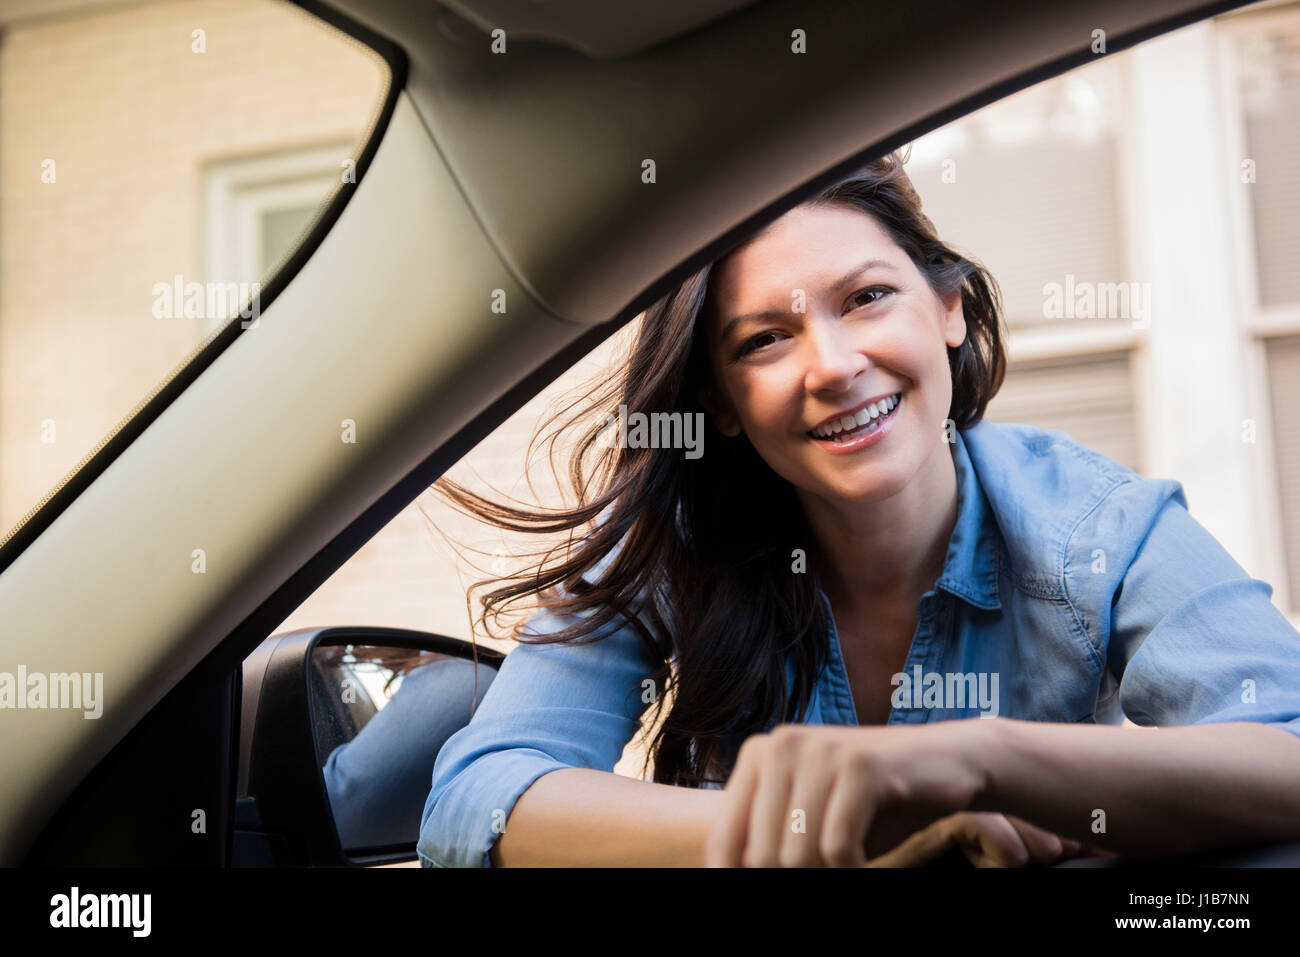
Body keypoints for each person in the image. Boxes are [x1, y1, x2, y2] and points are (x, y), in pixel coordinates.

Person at [416, 149, 1300, 868]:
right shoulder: (678, 544)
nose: (832, 366)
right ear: (720, 401)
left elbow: (1287, 745)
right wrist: (820, 836)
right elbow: (476, 799)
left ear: (948, 308)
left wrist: (977, 764)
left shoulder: (1094, 527)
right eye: (765, 339)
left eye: (867, 297)